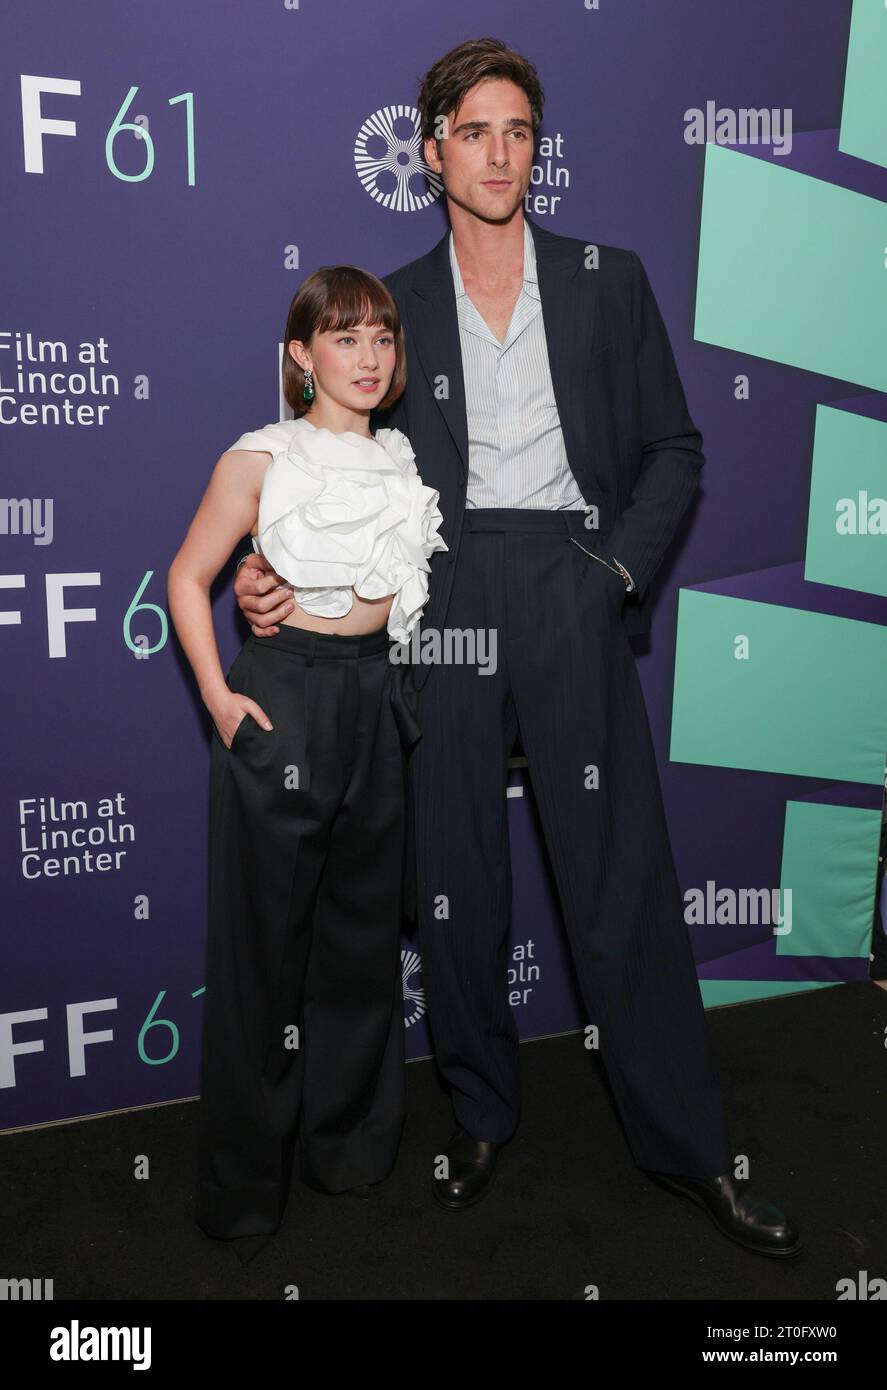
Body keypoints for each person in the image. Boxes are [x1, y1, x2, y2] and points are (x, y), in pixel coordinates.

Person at [233, 38, 801, 1259]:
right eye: (474, 131)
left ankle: (689, 1148)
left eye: (519, 132)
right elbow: (324, 458)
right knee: (457, 882)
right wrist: (265, 566)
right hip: (441, 597)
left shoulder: (608, 280)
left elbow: (675, 450)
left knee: (620, 880)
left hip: (567, 579)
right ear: (430, 149)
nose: (500, 153)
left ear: (535, 149)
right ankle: (482, 1114)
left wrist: (606, 576)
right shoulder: (389, 306)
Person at [167, 265, 446, 1261]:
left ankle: (351, 1151)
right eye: (343, 338)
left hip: (376, 699)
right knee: (262, 957)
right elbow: (189, 574)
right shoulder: (262, 454)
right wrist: (218, 698)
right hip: (284, 696)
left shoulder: (405, 459)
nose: (367, 358)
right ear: (300, 355)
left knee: (361, 945)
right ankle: (244, 1188)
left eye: (380, 338)